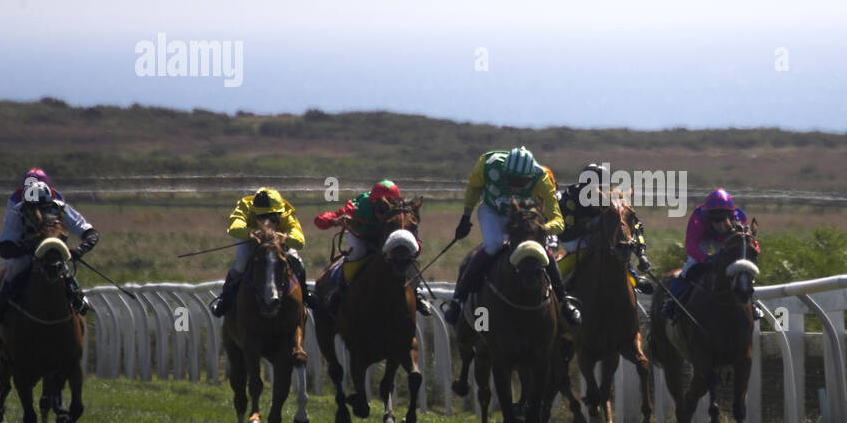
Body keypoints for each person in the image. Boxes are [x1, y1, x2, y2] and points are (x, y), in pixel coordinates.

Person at [442, 146, 580, 327]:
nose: (515, 186)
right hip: (492, 211)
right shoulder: (488, 164)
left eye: (521, 182)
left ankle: (563, 301)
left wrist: (540, 228)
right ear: (503, 171)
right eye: (511, 180)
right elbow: (474, 188)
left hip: (523, 217)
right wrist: (465, 216)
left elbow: (558, 222)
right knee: (493, 244)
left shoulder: (542, 178)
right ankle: (458, 301)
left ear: (531, 176)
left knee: (541, 251)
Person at [0, 168, 99, 324]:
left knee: (66, 275)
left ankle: (78, 300)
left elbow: (89, 232)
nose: (39, 212)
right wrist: (29, 250)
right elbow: (5, 247)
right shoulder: (18, 211)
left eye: (45, 208)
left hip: (54, 254)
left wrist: (79, 250)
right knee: (15, 272)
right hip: (26, 257)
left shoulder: (59, 207)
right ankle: (0, 309)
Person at [314, 180, 427, 315]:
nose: (384, 213)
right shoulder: (356, 207)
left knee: (407, 257)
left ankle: (416, 292)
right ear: (372, 203)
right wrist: (333, 221)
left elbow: (415, 246)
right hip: (361, 237)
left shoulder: (399, 213)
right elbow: (319, 220)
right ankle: (339, 290)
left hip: (383, 239)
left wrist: (412, 248)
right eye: (381, 208)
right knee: (357, 252)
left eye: (388, 208)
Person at [210, 187, 311, 317]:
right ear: (254, 212)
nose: (267, 221)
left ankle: (305, 294)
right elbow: (234, 227)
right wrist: (252, 233)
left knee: (297, 262)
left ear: (279, 213)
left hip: (278, 243)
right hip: (251, 239)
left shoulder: (286, 213)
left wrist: (279, 236)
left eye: (272, 217)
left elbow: (299, 241)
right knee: (241, 263)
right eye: (262, 217)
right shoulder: (245, 207)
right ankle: (225, 298)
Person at [556, 162, 653, 292]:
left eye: (602, 188)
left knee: (618, 243)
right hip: (574, 238)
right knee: (587, 248)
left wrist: (641, 254)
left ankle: (632, 276)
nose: (598, 193)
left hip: (602, 233)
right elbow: (564, 233)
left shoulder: (614, 198)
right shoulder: (569, 198)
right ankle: (558, 281)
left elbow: (635, 226)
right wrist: (587, 227)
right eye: (592, 188)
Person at [660, 187, 750, 321]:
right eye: (716, 221)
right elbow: (691, 246)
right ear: (708, 218)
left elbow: (748, 245)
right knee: (690, 267)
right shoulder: (699, 217)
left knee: (741, 269)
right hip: (705, 237)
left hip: (728, 238)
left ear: (731, 217)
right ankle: (671, 302)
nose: (720, 226)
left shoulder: (740, 218)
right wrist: (707, 259)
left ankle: (751, 304)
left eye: (723, 221)